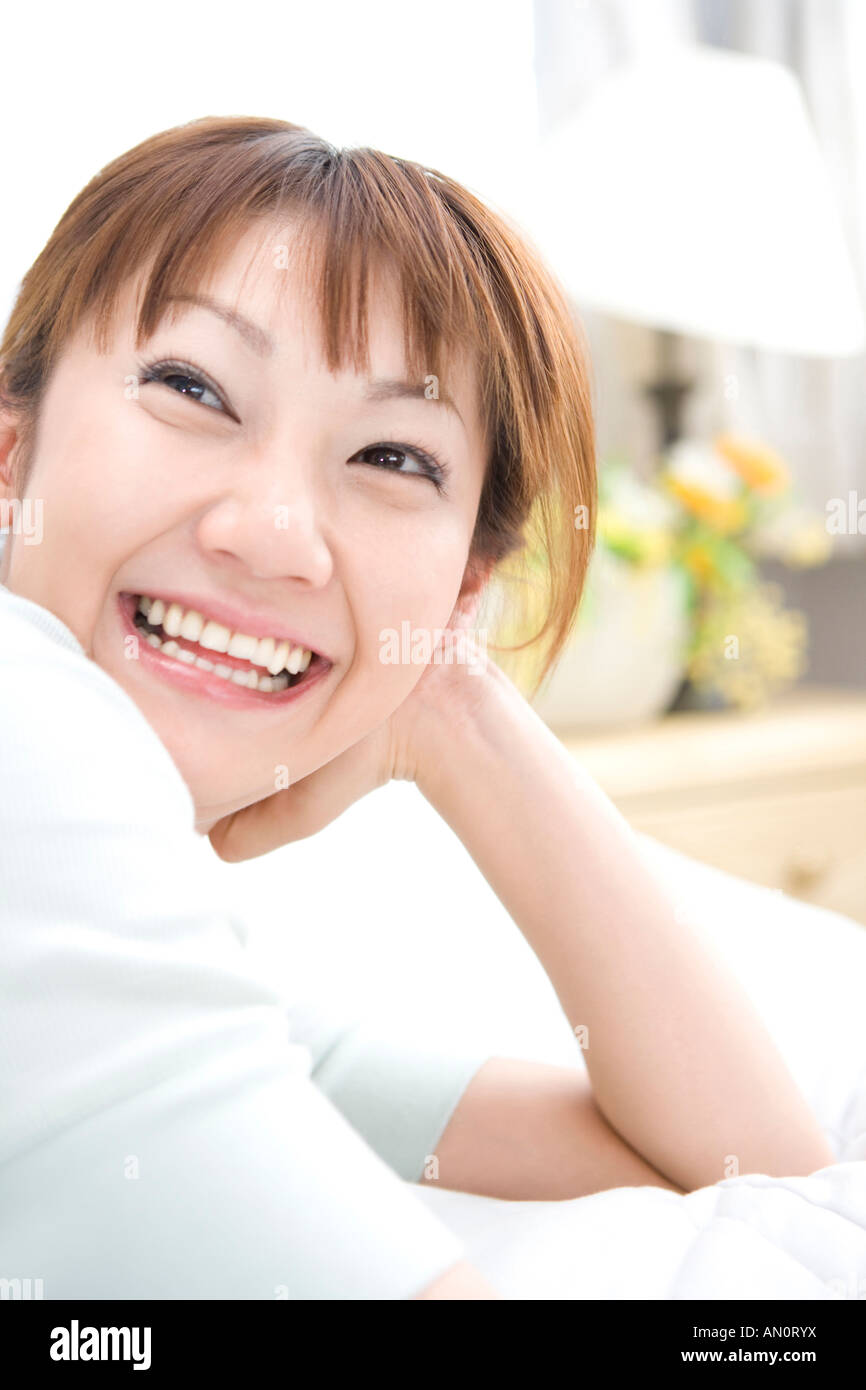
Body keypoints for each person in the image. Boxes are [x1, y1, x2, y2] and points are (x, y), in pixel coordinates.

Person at [0, 116, 835, 1301]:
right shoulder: (28, 743)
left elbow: (750, 1174)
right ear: (9, 449)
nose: (274, 532)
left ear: (464, 586)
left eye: (394, 459)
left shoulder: (134, 940)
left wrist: (446, 702)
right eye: (191, 386)